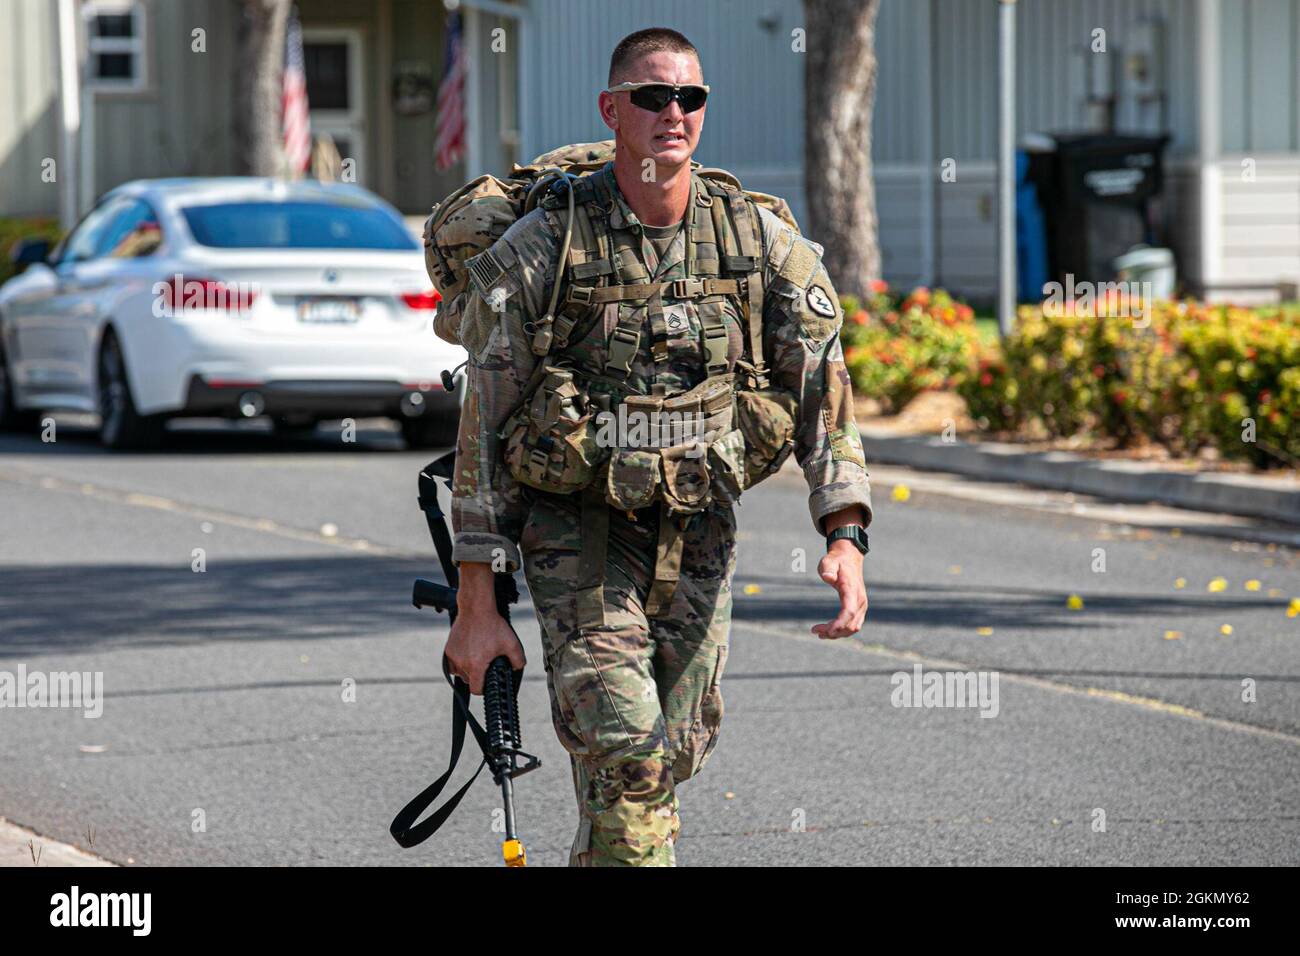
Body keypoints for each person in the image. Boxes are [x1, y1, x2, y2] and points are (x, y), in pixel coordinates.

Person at [443, 27, 873, 866]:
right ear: (613, 110)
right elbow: (483, 425)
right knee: (630, 755)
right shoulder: (550, 246)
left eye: (690, 97)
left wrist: (844, 532)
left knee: (664, 761)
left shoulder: (754, 239)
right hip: (577, 534)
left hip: (700, 531)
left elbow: (823, 380)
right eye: (651, 96)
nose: (672, 112)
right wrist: (476, 605)